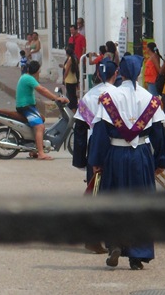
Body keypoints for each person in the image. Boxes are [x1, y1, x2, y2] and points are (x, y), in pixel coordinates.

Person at [88, 54, 165, 270]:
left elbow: (100, 131)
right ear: (140, 73)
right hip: (141, 155)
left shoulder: (108, 98)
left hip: (115, 154)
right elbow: (159, 133)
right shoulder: (150, 99)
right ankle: (137, 254)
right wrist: (160, 159)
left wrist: (96, 160)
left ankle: (115, 242)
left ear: (121, 73)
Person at [73, 58, 119, 254]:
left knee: (95, 191)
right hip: (117, 147)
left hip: (95, 146)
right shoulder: (119, 94)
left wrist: (81, 160)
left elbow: (80, 129)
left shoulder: (89, 96)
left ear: (98, 75)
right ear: (115, 74)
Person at [16, 60, 69, 160]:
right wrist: (56, 98)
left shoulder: (25, 76)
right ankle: (41, 153)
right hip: (26, 107)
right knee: (40, 126)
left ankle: (33, 149)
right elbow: (42, 90)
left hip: (26, 106)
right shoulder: (29, 78)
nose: (39, 73)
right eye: (39, 71)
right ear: (36, 71)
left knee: (41, 119)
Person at [62, 46, 79, 111]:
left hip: (69, 80)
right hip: (73, 79)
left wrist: (64, 78)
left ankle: (73, 111)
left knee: (71, 98)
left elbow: (67, 70)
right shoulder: (75, 59)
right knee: (73, 96)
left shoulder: (69, 59)